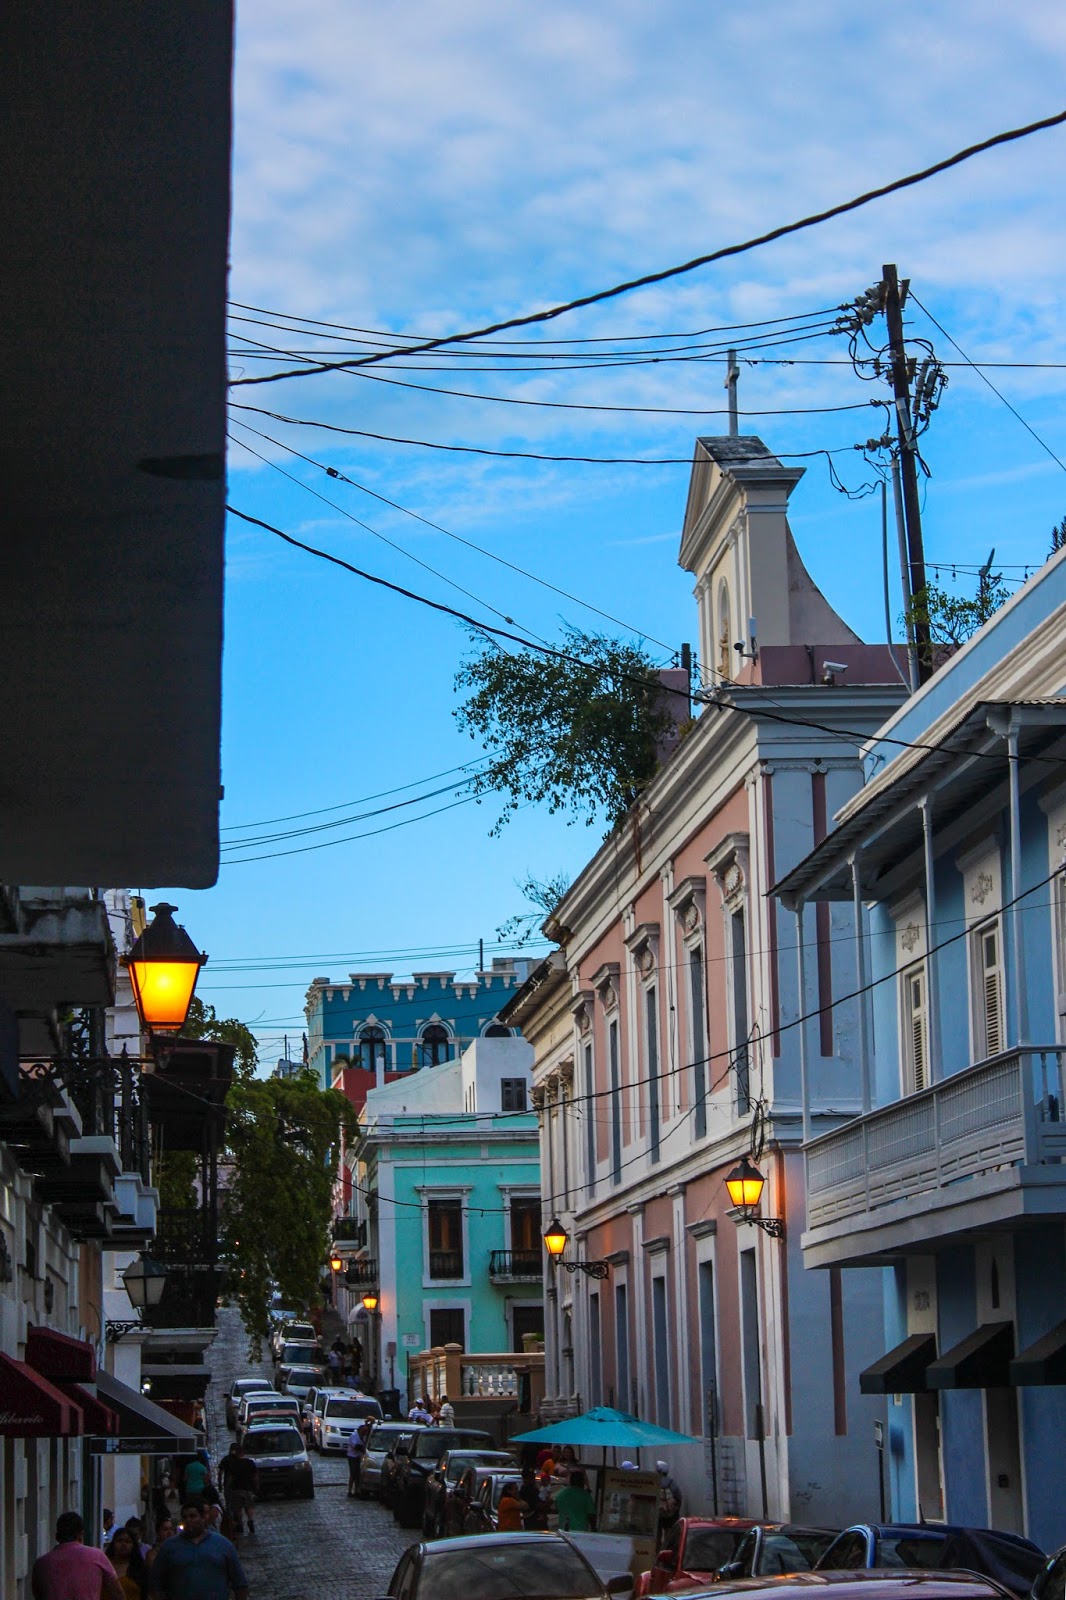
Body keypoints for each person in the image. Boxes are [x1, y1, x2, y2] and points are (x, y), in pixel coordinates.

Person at [148, 1501, 248, 1600]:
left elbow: (239, 1582)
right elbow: (155, 1582)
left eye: (192, 1516)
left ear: (204, 1517)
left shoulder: (222, 1545)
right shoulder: (169, 1547)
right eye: (185, 1517)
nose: (188, 1520)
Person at [31, 1511, 125, 1600]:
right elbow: (117, 1592)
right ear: (81, 1535)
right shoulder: (96, 1556)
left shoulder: (41, 1564)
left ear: (57, 1536)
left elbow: (38, 1595)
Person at [219, 1443, 259, 1535]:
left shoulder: (233, 1464)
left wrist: (226, 1486)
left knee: (238, 1508)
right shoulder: (250, 1462)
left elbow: (230, 1477)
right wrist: (256, 1486)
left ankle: (240, 1524)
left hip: (236, 1489)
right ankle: (250, 1520)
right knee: (249, 1506)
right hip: (248, 1488)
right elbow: (255, 1475)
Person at [105, 1527, 149, 1599]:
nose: (123, 1544)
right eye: (119, 1541)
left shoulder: (140, 1569)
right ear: (113, 1544)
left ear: (133, 1545)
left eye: (128, 1541)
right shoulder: (105, 1566)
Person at [553, 1469, 596, 1533]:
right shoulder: (586, 1496)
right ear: (582, 1481)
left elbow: (556, 1508)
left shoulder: (561, 1494)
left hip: (564, 1530)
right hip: (580, 1531)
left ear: (571, 1481)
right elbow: (591, 1515)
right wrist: (594, 1529)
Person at [656, 1460, 683, 1531]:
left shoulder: (654, 1482)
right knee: (669, 1532)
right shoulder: (672, 1483)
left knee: (657, 1533)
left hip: (657, 1514)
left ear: (658, 1471)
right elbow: (678, 1497)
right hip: (670, 1514)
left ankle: (658, 1542)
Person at [345, 1423, 366, 1498]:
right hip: (352, 1456)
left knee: (358, 1474)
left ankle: (356, 1490)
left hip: (357, 1456)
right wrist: (364, 1450)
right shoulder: (354, 1436)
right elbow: (355, 1446)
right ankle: (350, 1490)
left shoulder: (362, 1436)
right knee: (353, 1473)